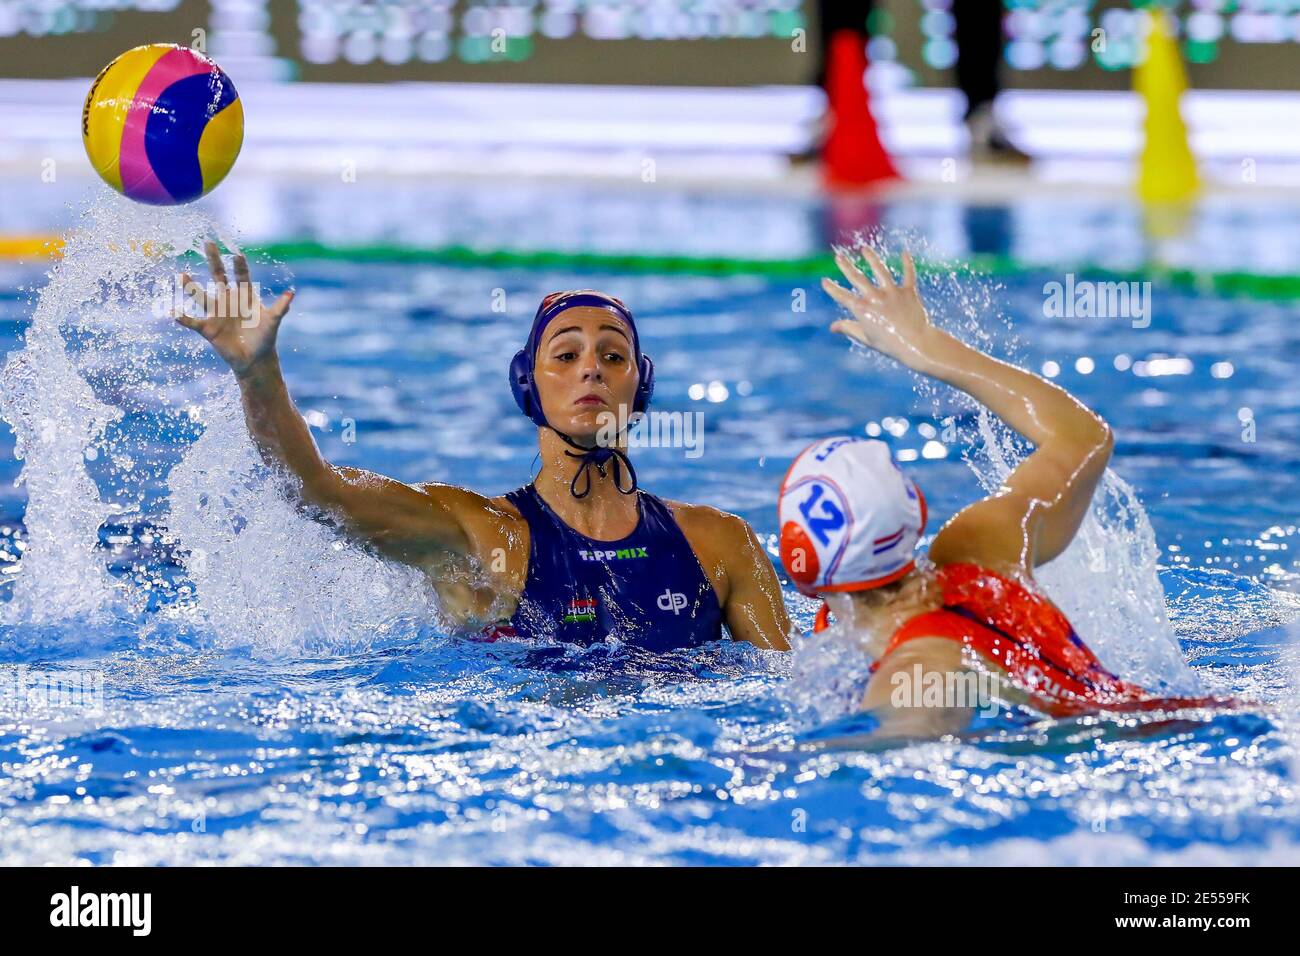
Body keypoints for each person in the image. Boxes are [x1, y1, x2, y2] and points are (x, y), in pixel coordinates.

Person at [177, 243, 792, 652]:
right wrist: (257, 373)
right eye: (566, 355)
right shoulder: (481, 536)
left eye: (613, 355)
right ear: (528, 382)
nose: (592, 371)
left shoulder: (721, 544)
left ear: (642, 383)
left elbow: (784, 702)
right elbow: (316, 490)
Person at [778, 244, 1236, 738]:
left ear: (796, 556)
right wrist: (930, 349)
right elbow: (1081, 438)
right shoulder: (979, 545)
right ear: (917, 513)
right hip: (1202, 716)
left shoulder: (916, 673)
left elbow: (882, 766)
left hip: (1153, 757)